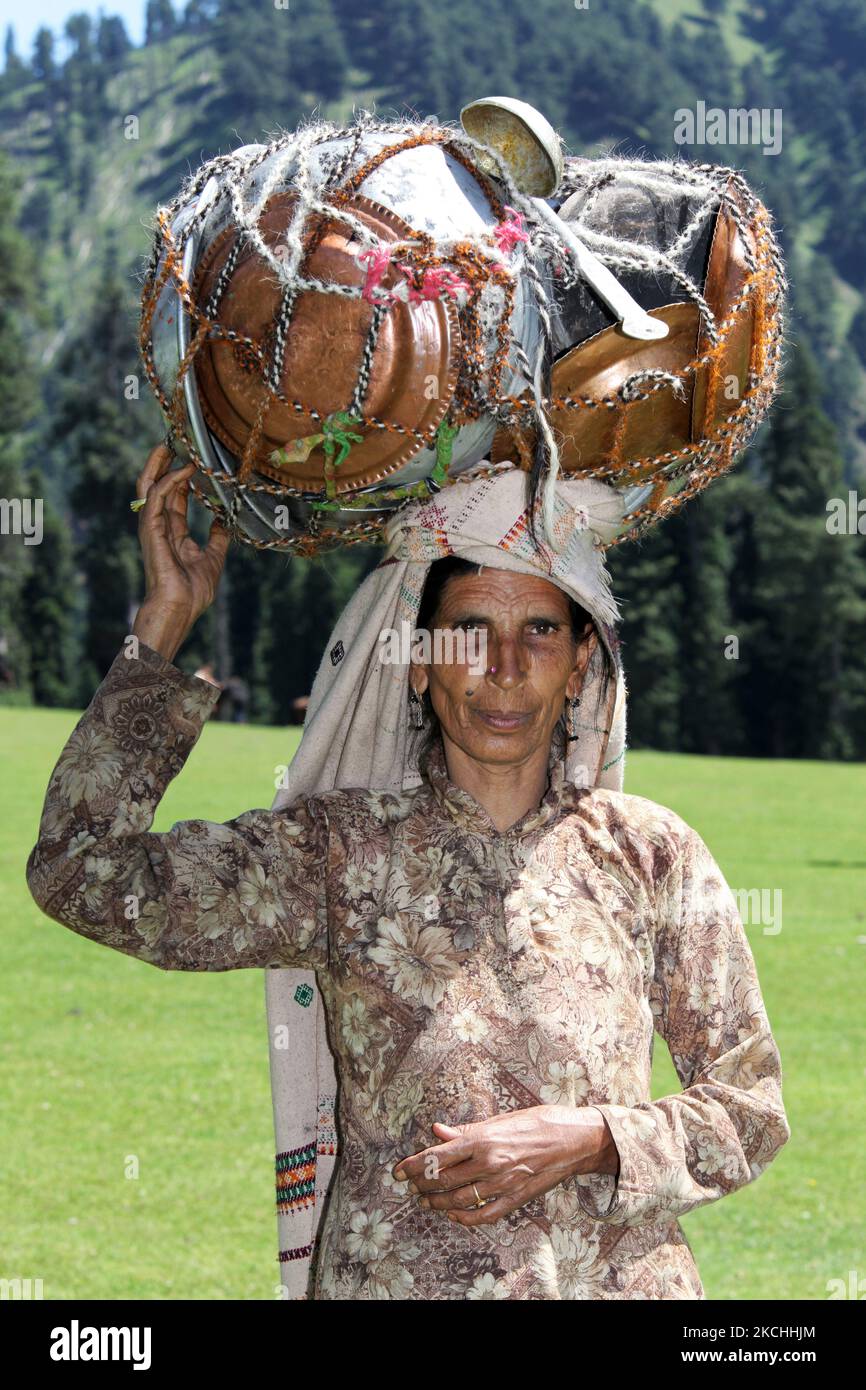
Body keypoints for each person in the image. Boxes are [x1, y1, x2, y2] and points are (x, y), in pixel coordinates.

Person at [26, 442, 790, 1300]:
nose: (503, 668)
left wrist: (588, 1139)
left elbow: (751, 1111)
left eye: (539, 630)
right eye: (471, 630)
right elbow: (81, 871)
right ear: (418, 662)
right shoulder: (335, 855)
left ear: (581, 664)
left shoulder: (651, 856)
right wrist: (166, 618)